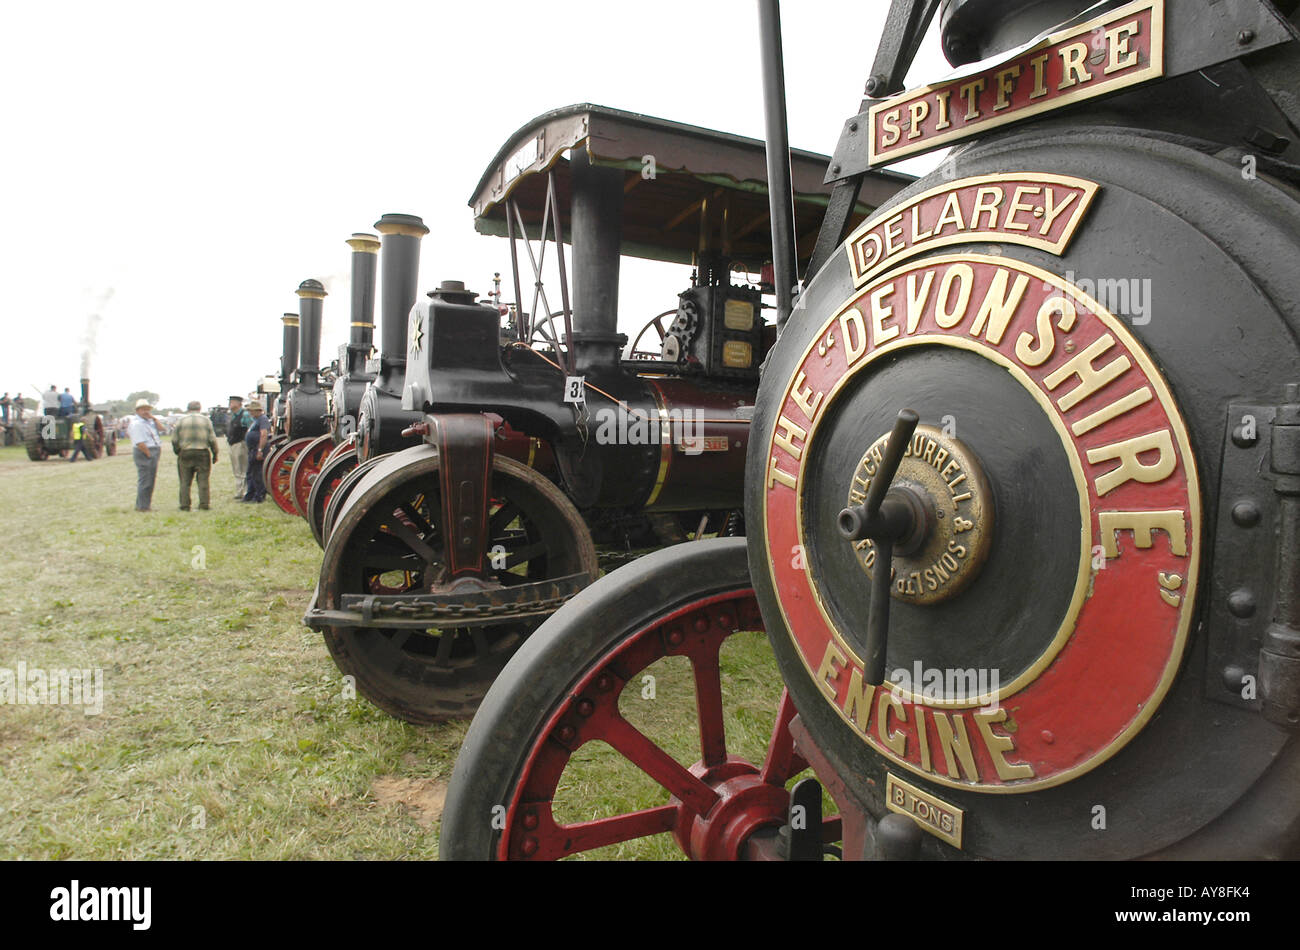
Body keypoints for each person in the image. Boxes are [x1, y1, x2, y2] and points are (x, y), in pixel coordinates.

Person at [173, 400, 218, 511]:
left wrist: (178, 451)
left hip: (185, 452)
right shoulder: (206, 420)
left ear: (188, 409)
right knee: (203, 480)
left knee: (185, 481)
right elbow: (212, 439)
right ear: (200, 408)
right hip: (202, 452)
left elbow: (174, 439)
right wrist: (215, 453)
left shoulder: (181, 421)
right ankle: (204, 504)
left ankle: (185, 505)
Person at [127, 398, 163, 512]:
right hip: (145, 451)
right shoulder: (137, 424)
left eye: (148, 409)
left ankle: (145, 505)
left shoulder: (149, 421)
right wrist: (149, 454)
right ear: (137, 411)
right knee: (146, 480)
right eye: (143, 409)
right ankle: (142, 506)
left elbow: (162, 429)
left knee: (150, 479)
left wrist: (154, 418)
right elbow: (139, 443)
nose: (146, 411)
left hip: (152, 450)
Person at [242, 400, 271, 502]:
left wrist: (260, 450)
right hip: (253, 449)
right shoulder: (257, 420)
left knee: (257, 473)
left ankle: (259, 496)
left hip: (258, 449)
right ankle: (250, 494)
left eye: (251, 411)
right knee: (251, 472)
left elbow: (264, 434)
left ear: (257, 411)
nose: (250, 413)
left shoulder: (263, 419)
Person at [226, 395, 253, 501]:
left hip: (241, 444)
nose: (230, 404)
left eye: (232, 402)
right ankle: (239, 491)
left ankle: (244, 491)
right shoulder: (232, 415)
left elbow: (250, 428)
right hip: (233, 444)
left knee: (243, 468)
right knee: (236, 469)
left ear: (238, 403)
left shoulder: (245, 414)